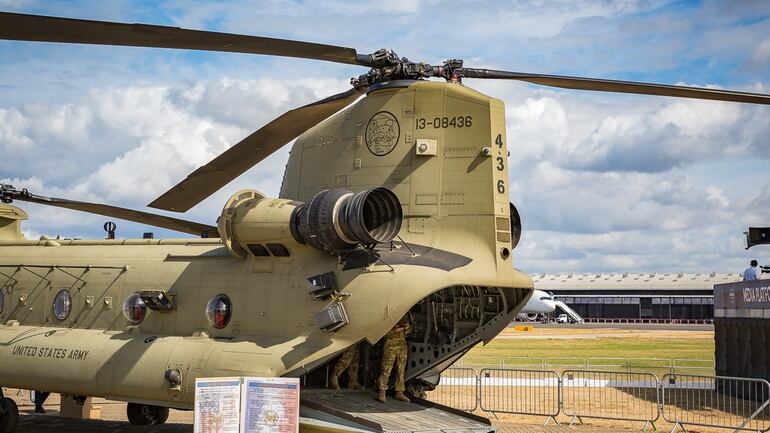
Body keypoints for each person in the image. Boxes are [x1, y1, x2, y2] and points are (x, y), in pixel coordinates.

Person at [376, 315, 411, 403]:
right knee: (386, 368)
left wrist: (407, 328)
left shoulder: (404, 314)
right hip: (390, 345)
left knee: (401, 369)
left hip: (402, 345)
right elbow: (381, 330)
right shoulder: (387, 313)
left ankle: (399, 391)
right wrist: (394, 330)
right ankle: (382, 391)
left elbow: (408, 331)